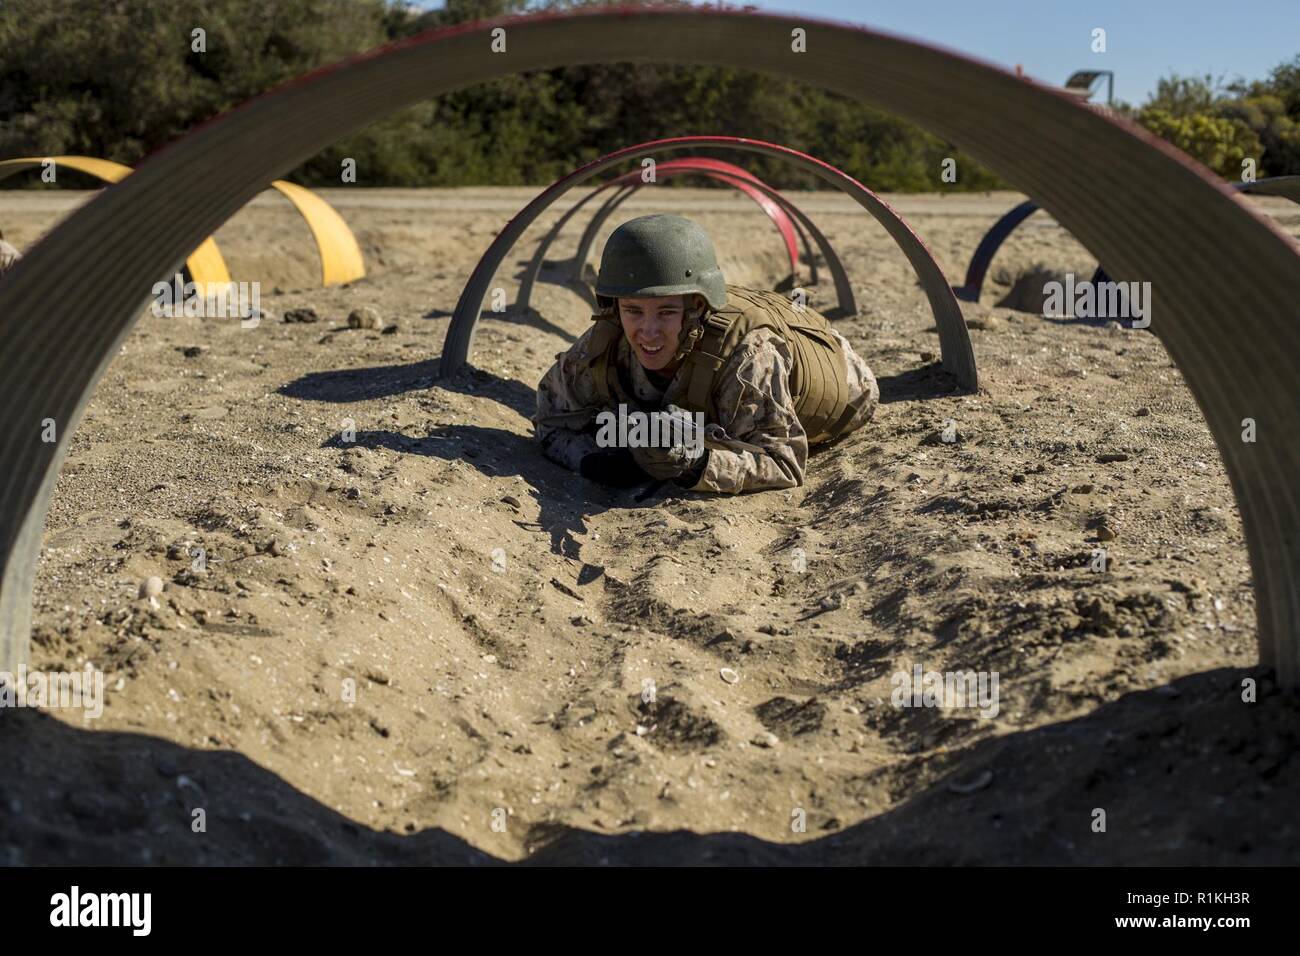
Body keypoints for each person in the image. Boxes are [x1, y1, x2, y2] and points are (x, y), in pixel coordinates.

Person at [533, 213, 879, 494]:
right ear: (615, 307)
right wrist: (594, 462)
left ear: (696, 308)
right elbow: (549, 420)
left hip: (846, 380)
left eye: (666, 312)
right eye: (633, 310)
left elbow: (783, 462)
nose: (648, 332)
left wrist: (696, 465)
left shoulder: (748, 355)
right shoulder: (604, 340)